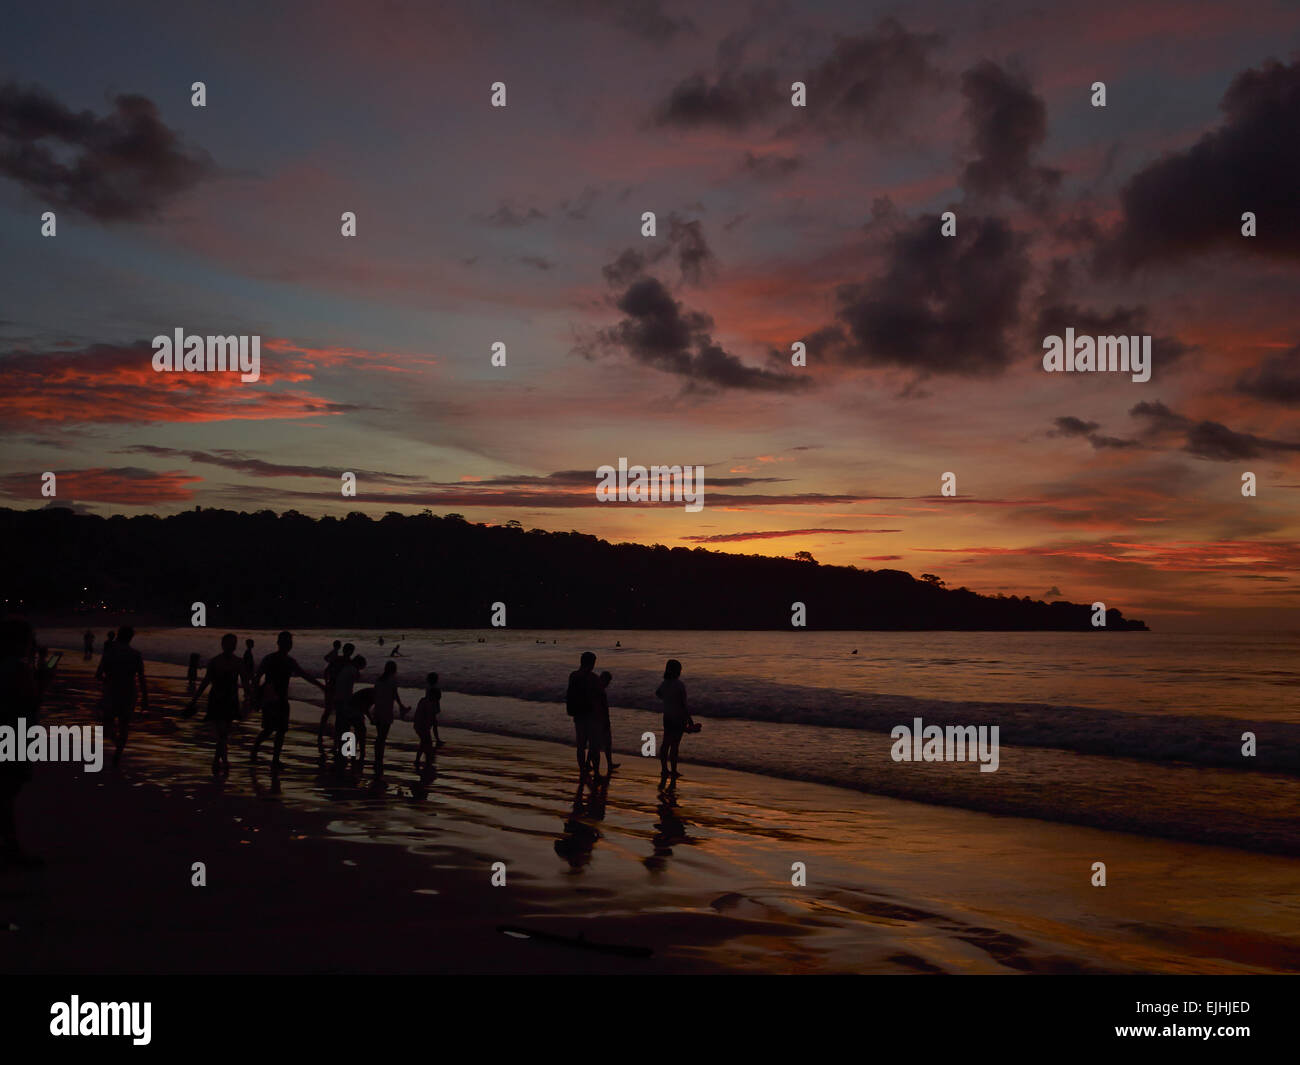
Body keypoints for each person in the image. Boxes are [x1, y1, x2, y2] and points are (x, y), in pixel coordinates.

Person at [0, 619, 43, 868]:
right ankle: (11, 848)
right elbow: (31, 702)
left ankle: (9, 845)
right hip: (13, 735)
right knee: (8, 791)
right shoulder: (16, 668)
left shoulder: (6, 666)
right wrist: (45, 680)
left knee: (5, 790)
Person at [251, 631, 325, 770]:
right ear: (279, 643)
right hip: (270, 699)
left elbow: (304, 675)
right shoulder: (270, 659)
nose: (288, 645)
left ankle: (275, 759)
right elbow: (257, 677)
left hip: (282, 700)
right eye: (286, 642)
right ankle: (255, 751)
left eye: (289, 642)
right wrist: (255, 697)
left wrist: (320, 685)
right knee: (269, 729)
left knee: (281, 730)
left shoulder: (289, 661)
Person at [188, 633, 250, 776]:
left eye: (234, 643)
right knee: (222, 733)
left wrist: (251, 698)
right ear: (223, 644)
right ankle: (224, 761)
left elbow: (245, 683)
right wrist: (194, 699)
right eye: (229, 643)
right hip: (216, 699)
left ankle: (217, 760)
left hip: (231, 700)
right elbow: (206, 682)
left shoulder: (239, 662)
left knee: (224, 733)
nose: (231, 646)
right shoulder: (215, 662)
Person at [96, 624, 148, 766]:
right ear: (131, 638)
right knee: (124, 724)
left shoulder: (110, 652)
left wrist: (107, 680)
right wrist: (145, 698)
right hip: (129, 692)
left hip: (112, 690)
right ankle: (118, 754)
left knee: (107, 726)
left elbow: (98, 674)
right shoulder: (136, 654)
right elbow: (142, 678)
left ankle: (117, 742)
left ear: (118, 635)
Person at [655, 658, 694, 784]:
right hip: (678, 718)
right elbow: (683, 704)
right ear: (677, 671)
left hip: (667, 717)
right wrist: (690, 719)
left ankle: (664, 769)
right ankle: (674, 769)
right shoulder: (679, 685)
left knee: (666, 743)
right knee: (675, 745)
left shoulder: (664, 683)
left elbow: (658, 694)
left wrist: (667, 701)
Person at [565, 651, 603, 777]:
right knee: (594, 746)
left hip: (578, 714)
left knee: (581, 745)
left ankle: (582, 770)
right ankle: (596, 772)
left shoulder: (573, 676)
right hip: (591, 715)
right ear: (591, 663)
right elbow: (599, 699)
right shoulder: (594, 678)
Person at [367, 661, 407, 779]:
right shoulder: (392, 680)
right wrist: (401, 705)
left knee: (379, 736)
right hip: (386, 711)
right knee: (382, 737)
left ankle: (377, 758)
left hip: (378, 709)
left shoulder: (379, 680)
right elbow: (395, 695)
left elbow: (375, 695)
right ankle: (379, 759)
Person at [319, 642, 352, 752]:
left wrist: (326, 682)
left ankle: (323, 734)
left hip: (333, 688)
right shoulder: (347, 662)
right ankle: (339, 741)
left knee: (331, 711)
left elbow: (326, 670)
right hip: (338, 690)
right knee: (338, 713)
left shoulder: (338, 659)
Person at [591, 670, 618, 776]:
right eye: (608, 681)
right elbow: (603, 709)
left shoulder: (595, 689)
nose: (608, 684)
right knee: (605, 744)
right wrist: (606, 721)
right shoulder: (600, 691)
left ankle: (607, 763)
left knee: (597, 744)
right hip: (601, 721)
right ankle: (608, 764)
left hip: (595, 720)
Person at [414, 672, 443, 770]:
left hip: (420, 724)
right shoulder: (431, 695)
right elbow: (426, 715)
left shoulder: (427, 696)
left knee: (424, 742)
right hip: (422, 724)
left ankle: (420, 760)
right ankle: (426, 761)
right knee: (426, 742)